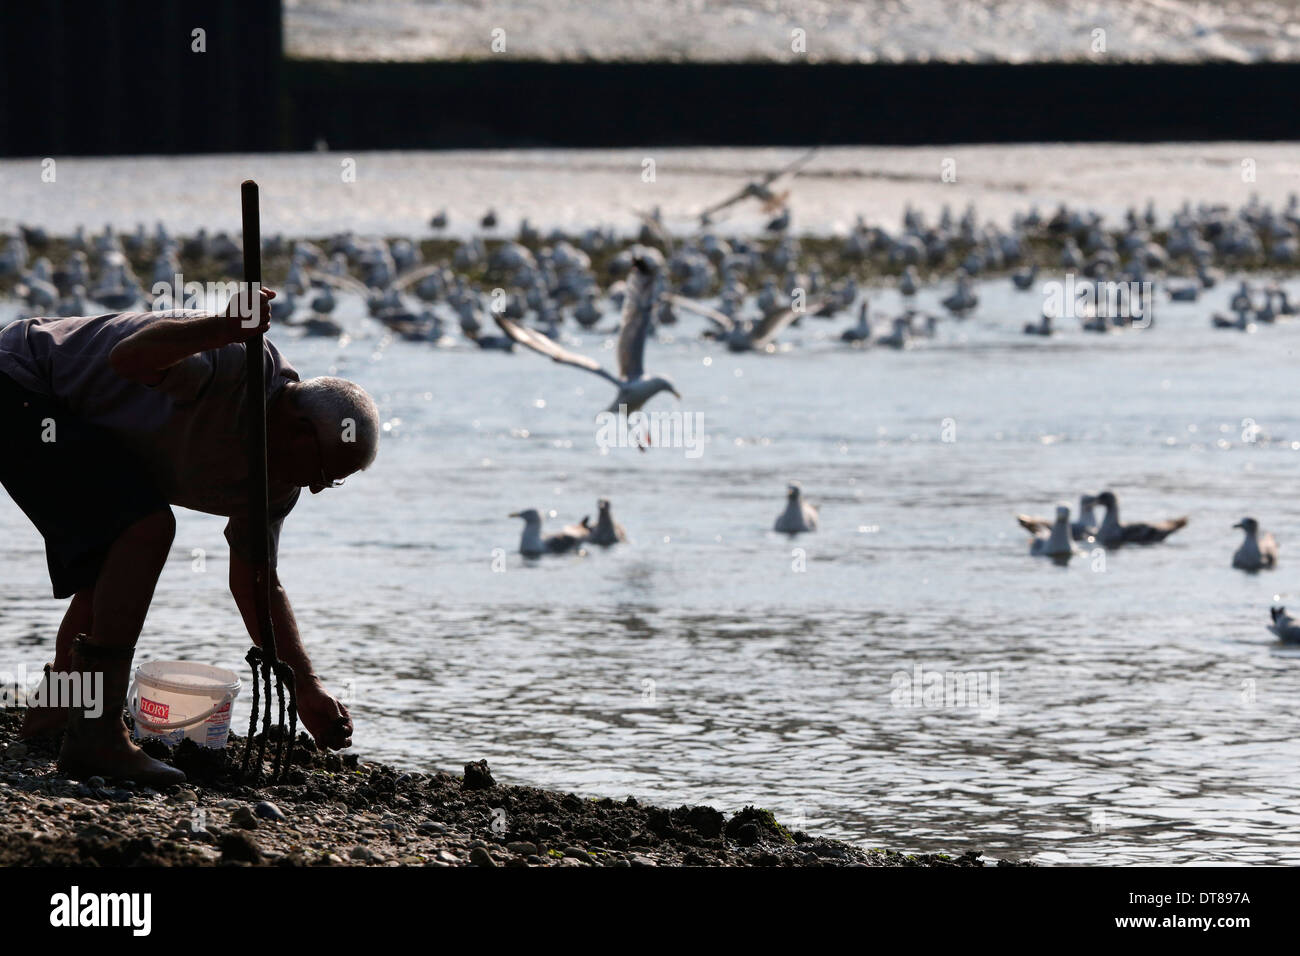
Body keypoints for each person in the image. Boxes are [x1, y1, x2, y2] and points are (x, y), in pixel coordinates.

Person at [0, 288, 380, 784]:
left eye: (332, 482)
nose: (314, 488)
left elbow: (257, 581)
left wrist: (305, 686)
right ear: (298, 428)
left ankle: (57, 715)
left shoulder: (273, 484)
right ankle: (94, 737)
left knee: (116, 569)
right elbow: (129, 357)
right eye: (325, 470)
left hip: (71, 417)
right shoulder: (231, 366)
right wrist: (224, 328)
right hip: (23, 378)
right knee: (147, 529)